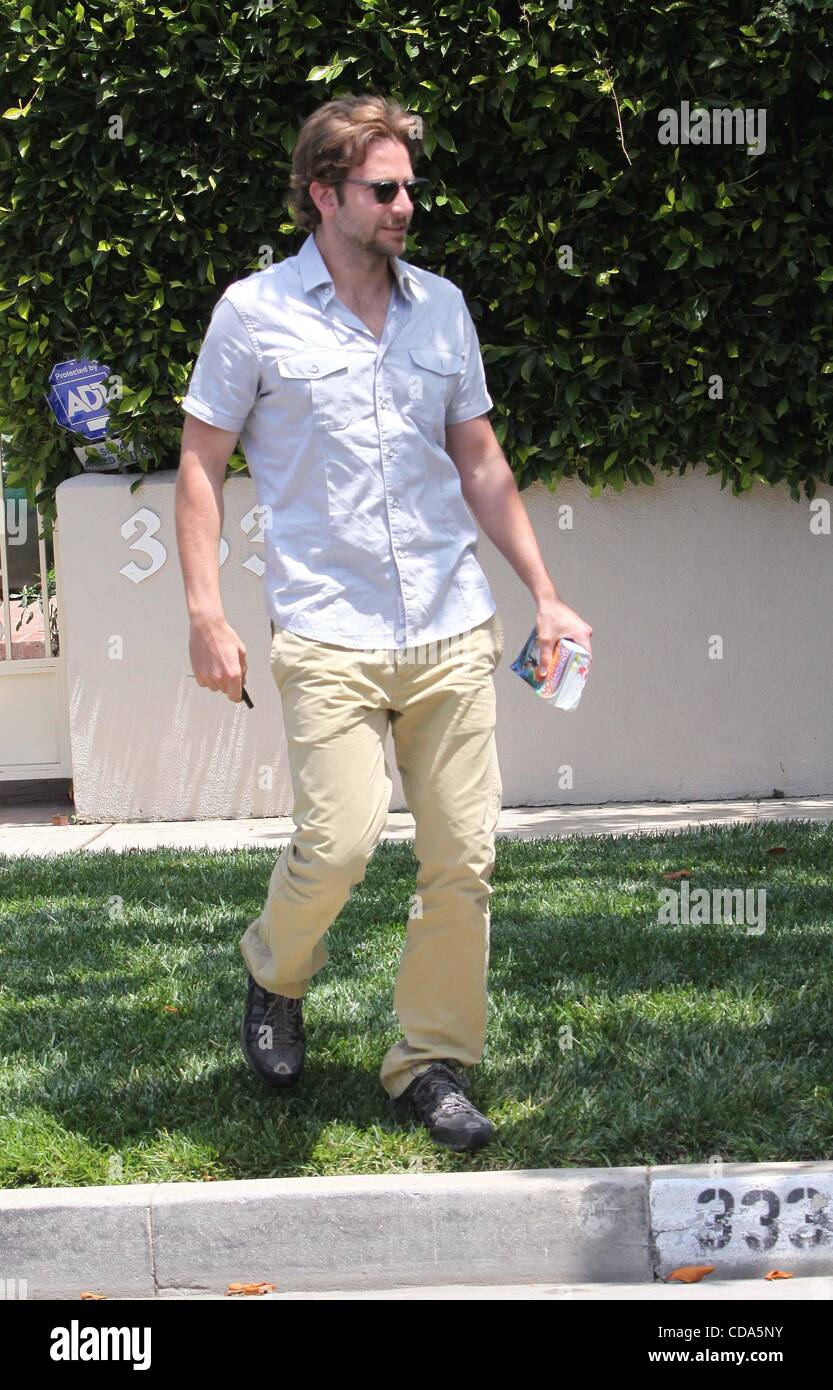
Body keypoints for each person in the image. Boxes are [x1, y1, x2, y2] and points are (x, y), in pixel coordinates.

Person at [175, 93, 593, 1153]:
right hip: (325, 630)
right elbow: (199, 462)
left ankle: (428, 1059)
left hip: (450, 624)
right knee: (341, 836)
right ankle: (274, 971)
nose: (405, 203)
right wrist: (204, 611)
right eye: (383, 188)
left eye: (409, 185)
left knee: (463, 856)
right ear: (323, 194)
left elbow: (481, 460)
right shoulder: (254, 311)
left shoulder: (441, 309)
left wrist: (543, 590)